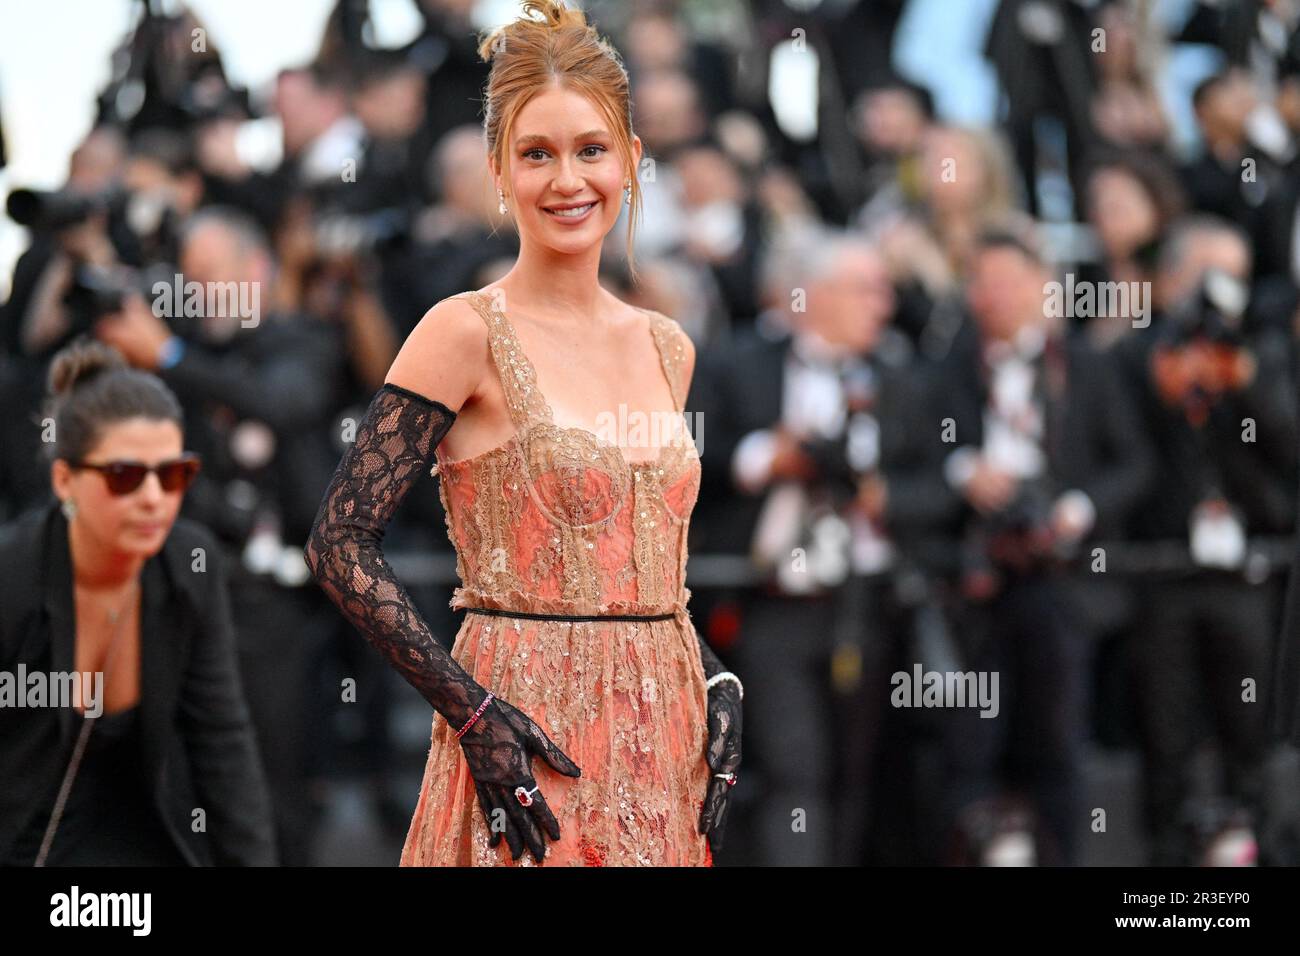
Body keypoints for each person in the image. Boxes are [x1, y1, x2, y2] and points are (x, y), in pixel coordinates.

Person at [304, 0, 742, 866]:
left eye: (591, 150)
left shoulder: (667, 345)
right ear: (500, 173)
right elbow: (338, 541)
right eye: (536, 154)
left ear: (633, 162)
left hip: (664, 742)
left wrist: (714, 673)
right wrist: (471, 712)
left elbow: (643, 560)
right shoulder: (463, 331)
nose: (567, 180)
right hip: (525, 740)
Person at [0, 339, 276, 866]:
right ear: (64, 480)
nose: (154, 497)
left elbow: (221, 742)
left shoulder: (189, 566)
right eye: (124, 475)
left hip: (146, 841)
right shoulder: (12, 578)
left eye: (173, 474)